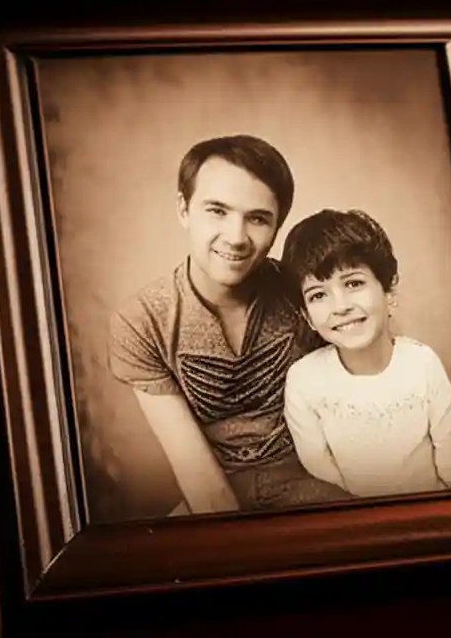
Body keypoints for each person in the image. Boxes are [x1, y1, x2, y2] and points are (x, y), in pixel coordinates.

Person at [108, 135, 349, 515]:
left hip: (318, 482)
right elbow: (203, 484)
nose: (236, 238)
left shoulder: (302, 290)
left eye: (257, 218)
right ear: (183, 209)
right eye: (217, 211)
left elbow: (363, 396)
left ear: (276, 228)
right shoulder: (142, 321)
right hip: (215, 497)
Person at [279, 208, 451, 498]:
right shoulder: (304, 380)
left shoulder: (422, 364)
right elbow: (320, 469)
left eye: (353, 283)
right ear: (307, 316)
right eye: (318, 295)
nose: (340, 306)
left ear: (388, 291)